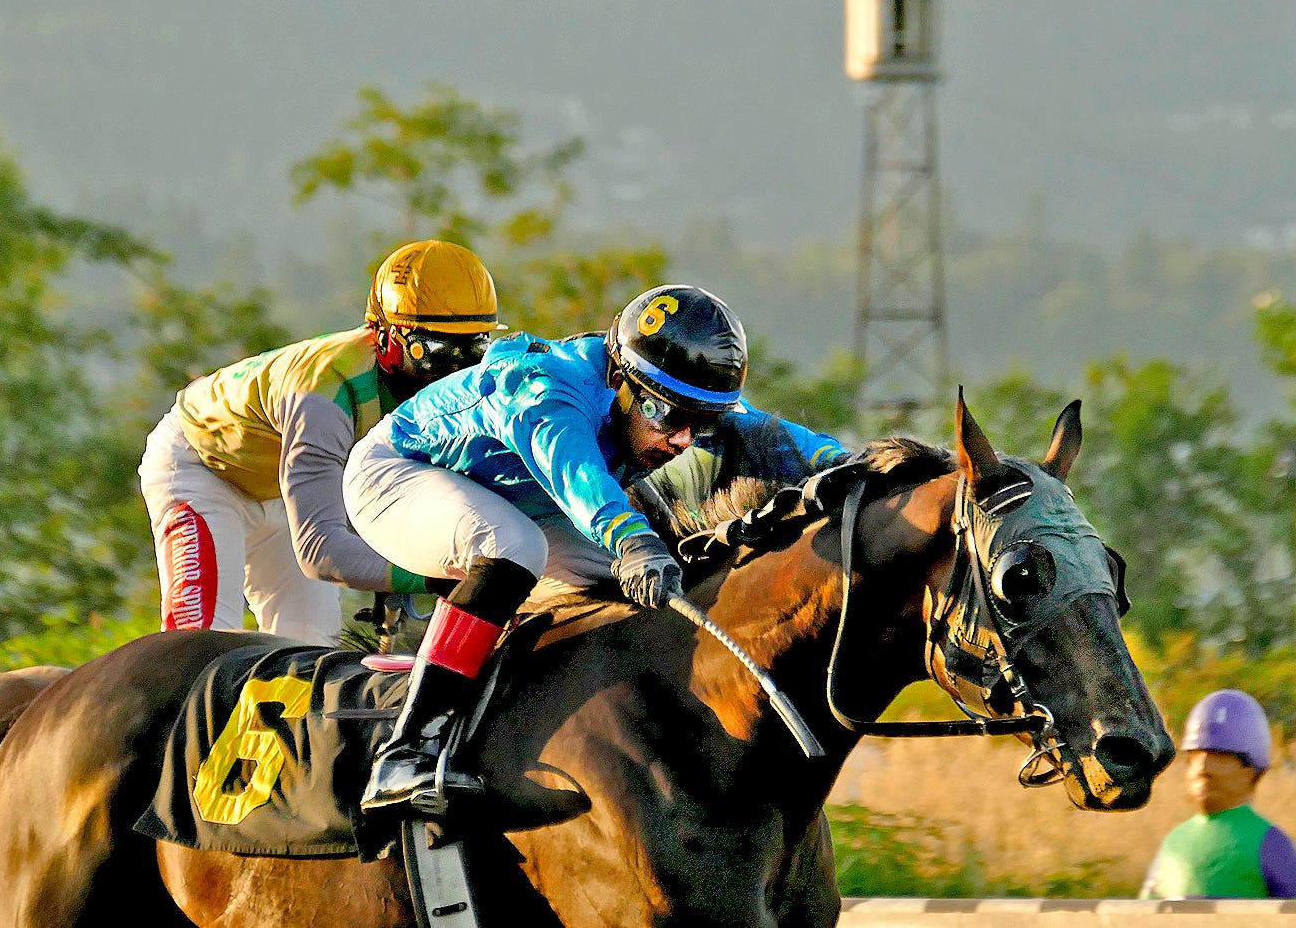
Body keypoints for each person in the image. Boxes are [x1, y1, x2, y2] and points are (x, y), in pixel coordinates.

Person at [341, 284, 848, 818]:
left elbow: (766, 433)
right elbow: (580, 479)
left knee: (630, 585)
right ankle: (405, 754)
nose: (682, 440)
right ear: (619, 380)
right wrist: (633, 539)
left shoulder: (665, 396)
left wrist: (848, 464)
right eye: (665, 415)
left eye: (699, 423)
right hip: (394, 476)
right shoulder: (547, 390)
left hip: (515, 499)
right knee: (515, 548)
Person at [138, 240, 503, 646]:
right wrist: (436, 576)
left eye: (474, 349)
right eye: (434, 351)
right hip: (202, 470)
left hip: (284, 485)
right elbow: (320, 551)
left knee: (310, 650)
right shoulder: (327, 393)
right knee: (201, 644)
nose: (454, 370)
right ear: (385, 339)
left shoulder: (454, 386)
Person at [1141, 689, 1296, 900]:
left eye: (1219, 755)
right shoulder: (1174, 842)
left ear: (1250, 769)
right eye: (1195, 755)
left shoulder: (1268, 843)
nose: (1203, 767)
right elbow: (1141, 913)